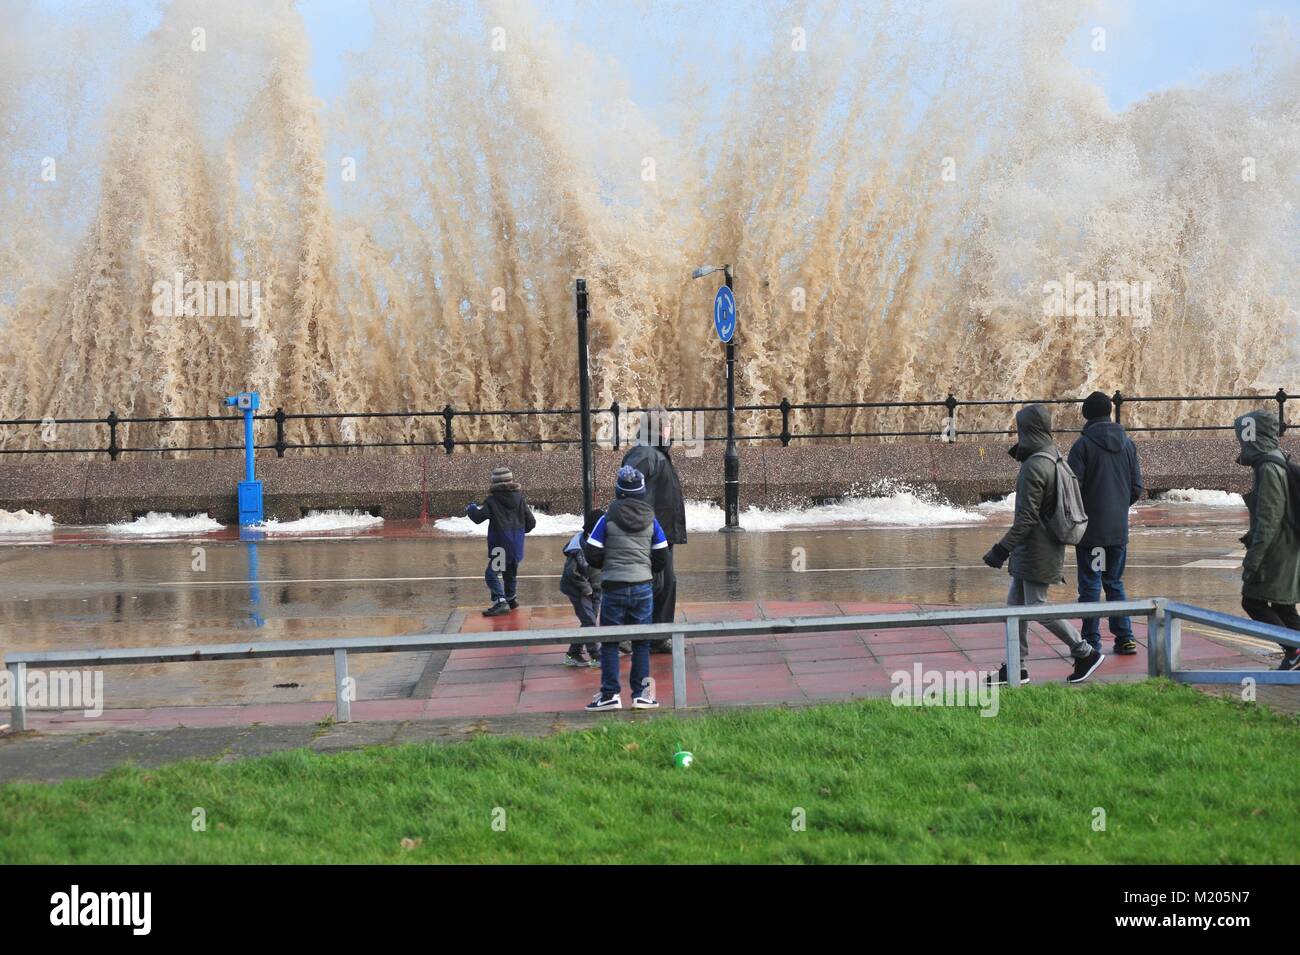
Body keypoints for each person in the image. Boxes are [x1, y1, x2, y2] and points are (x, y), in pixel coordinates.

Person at [983, 404, 1106, 685]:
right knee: (1015, 606)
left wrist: (1001, 549)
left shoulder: (1035, 465)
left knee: (1038, 607)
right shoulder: (1052, 456)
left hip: (1037, 549)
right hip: (1037, 547)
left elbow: (1026, 519)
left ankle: (1084, 652)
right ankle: (1017, 666)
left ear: (1027, 429)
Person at [582, 466, 669, 710]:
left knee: (610, 641)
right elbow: (662, 555)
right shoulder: (652, 519)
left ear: (618, 492)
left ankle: (610, 695)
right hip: (642, 587)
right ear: (642, 493)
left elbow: (592, 552)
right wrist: (645, 569)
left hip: (613, 587)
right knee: (641, 642)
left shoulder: (607, 517)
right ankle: (641, 695)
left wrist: (608, 564)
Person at [1067, 391, 1144, 655]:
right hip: (1117, 530)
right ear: (1110, 412)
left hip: (1090, 531)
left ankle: (1091, 641)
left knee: (1090, 585)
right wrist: (1118, 508)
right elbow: (1137, 487)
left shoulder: (1082, 446)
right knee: (1114, 583)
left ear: (1086, 415)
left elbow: (1071, 488)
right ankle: (1125, 637)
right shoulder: (1128, 444)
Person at [1234, 410, 1300, 671]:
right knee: (1284, 608)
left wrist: (1252, 561)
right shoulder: (1274, 459)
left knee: (1252, 601)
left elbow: (1268, 519)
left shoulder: (1268, 467)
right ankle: (1294, 651)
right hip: (1287, 546)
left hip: (1276, 552)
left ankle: (1294, 650)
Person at [621, 407, 687, 652]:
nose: (671, 430)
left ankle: (655, 636)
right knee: (648, 584)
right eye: (667, 425)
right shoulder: (646, 455)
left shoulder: (653, 453)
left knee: (664, 583)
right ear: (658, 430)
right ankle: (631, 636)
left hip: (659, 533)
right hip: (649, 535)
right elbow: (631, 494)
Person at [465, 465, 536, 617]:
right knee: (510, 574)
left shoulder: (492, 500)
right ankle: (511, 599)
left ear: (494, 483)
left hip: (500, 546)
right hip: (516, 546)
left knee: (491, 574)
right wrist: (517, 534)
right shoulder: (519, 498)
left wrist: (470, 508)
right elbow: (531, 523)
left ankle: (500, 601)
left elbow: (478, 517)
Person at [560, 508, 604, 667]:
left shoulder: (601, 541)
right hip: (579, 589)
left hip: (596, 588)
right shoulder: (578, 547)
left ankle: (573, 653)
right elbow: (572, 573)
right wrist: (587, 589)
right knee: (590, 622)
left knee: (588, 621)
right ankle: (596, 656)